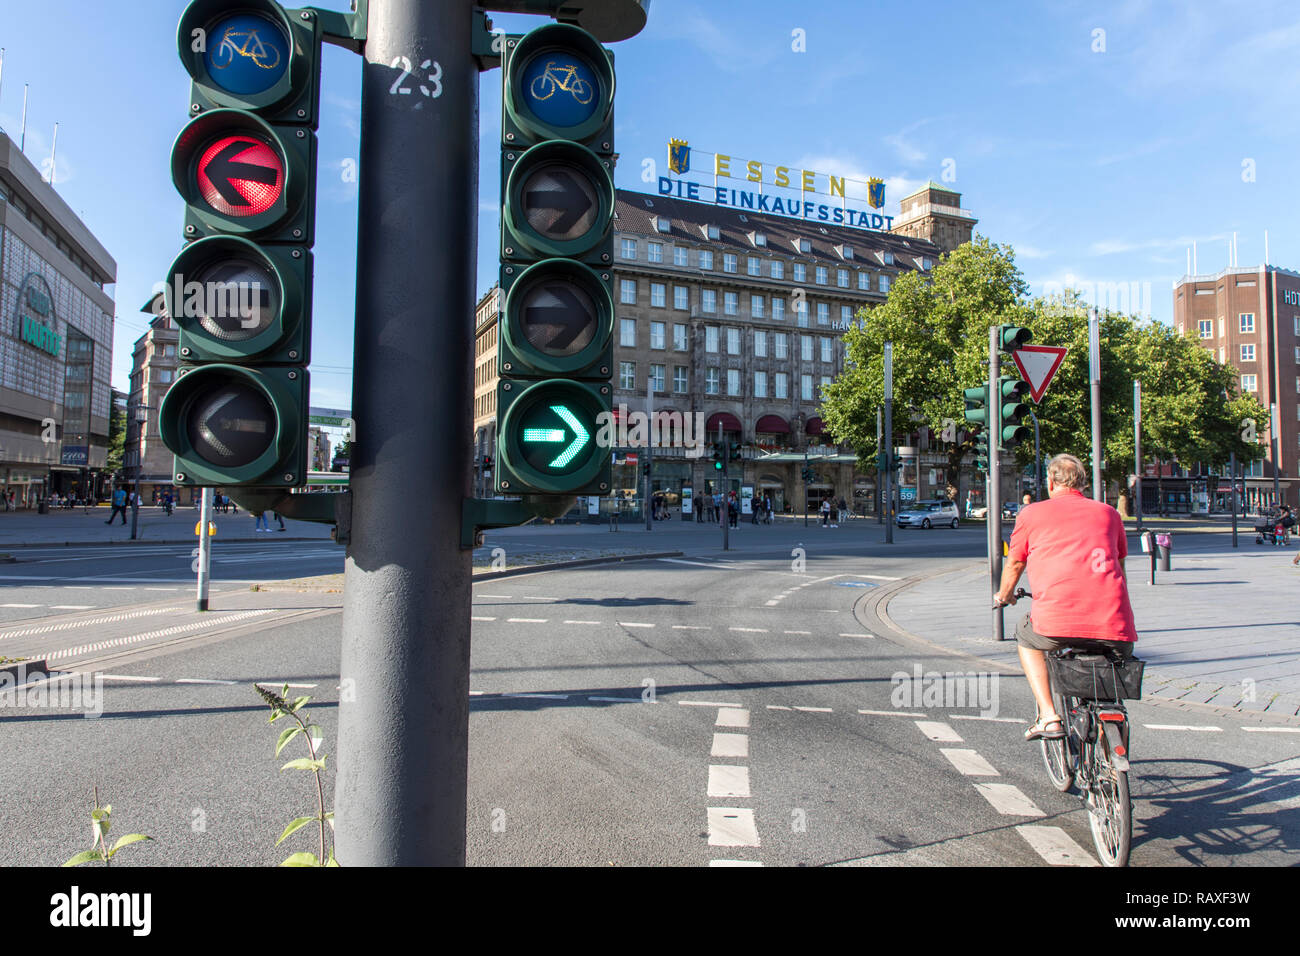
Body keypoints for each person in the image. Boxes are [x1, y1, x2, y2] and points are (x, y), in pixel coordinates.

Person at [994, 454, 1138, 741]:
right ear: (1083, 483)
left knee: (1026, 635)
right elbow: (1120, 563)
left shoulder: (1031, 514)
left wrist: (1004, 595)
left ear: (1049, 482)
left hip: (1055, 624)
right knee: (1110, 654)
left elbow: (1015, 563)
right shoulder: (1109, 513)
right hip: (1117, 627)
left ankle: (1048, 716)